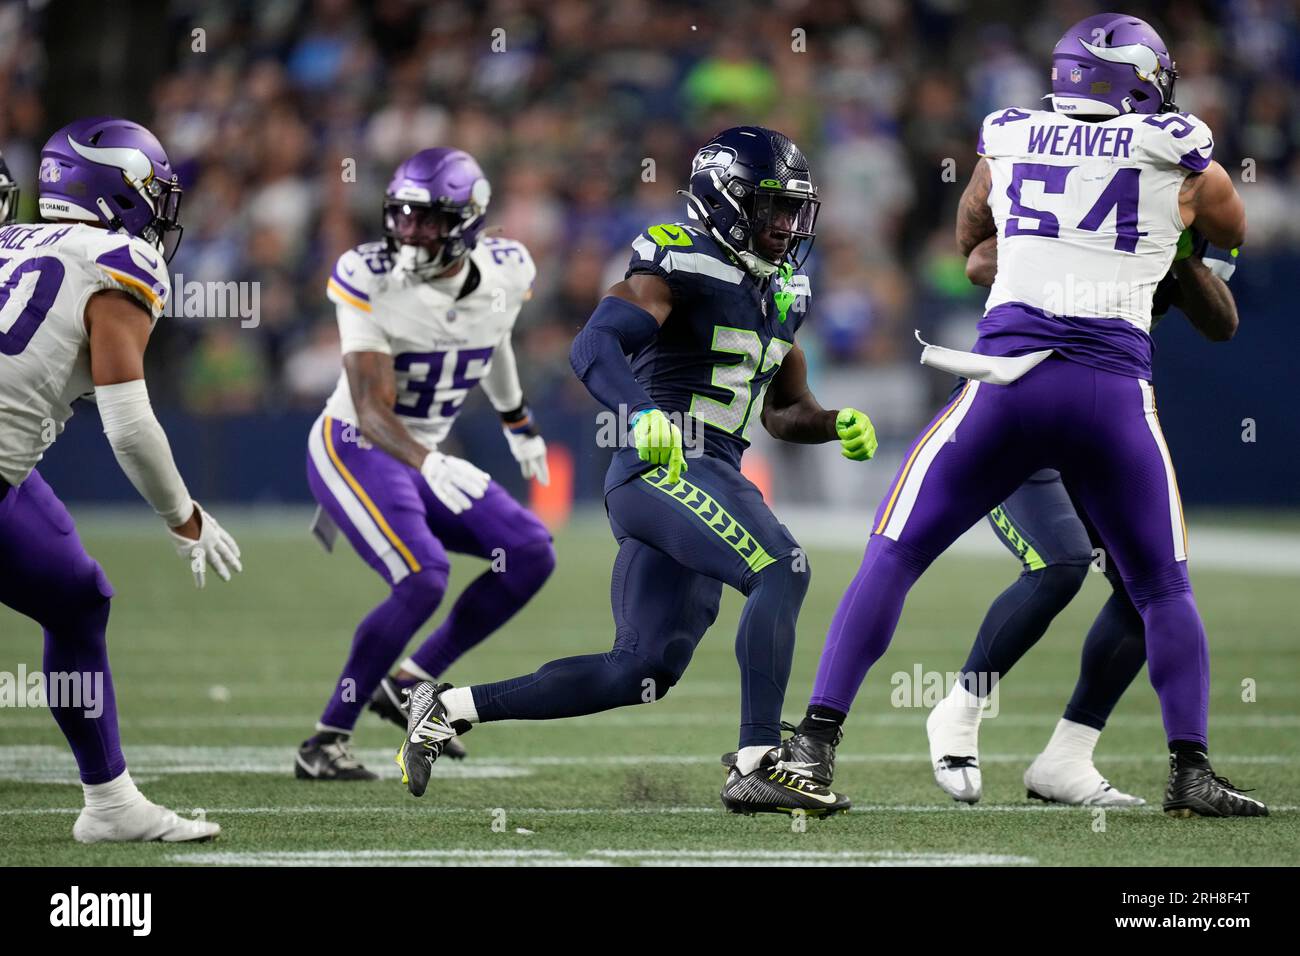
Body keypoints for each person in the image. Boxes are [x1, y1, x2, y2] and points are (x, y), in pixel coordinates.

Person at [783, 14, 1268, 818]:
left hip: (1005, 382)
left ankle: (814, 744)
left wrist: (1039, 245)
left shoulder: (1007, 132)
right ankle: (1189, 772)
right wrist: (1165, 256)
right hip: (1111, 395)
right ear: (1142, 80)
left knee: (895, 552)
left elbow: (972, 243)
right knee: (1161, 587)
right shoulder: (1181, 146)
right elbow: (1228, 240)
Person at [396, 127, 878, 816]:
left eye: (793, 209)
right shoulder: (679, 259)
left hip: (713, 472)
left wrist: (831, 422)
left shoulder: (784, 288)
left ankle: (445, 707)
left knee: (641, 668)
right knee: (781, 568)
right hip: (663, 467)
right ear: (725, 198)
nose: (786, 225)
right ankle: (758, 761)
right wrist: (639, 411)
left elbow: (783, 407)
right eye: (771, 206)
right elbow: (594, 343)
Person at [927, 230, 1239, 806]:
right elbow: (977, 261)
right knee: (1061, 561)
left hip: (1101, 402)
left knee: (1150, 584)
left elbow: (1222, 321)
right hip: (1017, 399)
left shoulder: (1183, 198)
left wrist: (1178, 252)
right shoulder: (1080, 171)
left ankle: (1067, 755)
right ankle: (961, 710)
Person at [0, 119, 243, 842]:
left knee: (77, 599)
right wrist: (184, 515)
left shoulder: (11, 240)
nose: (163, 209)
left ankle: (110, 804)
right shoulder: (118, 259)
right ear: (115, 188)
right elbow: (130, 426)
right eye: (153, 191)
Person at [297, 147, 555, 780]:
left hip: (422, 456)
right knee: (422, 577)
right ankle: (326, 740)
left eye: (428, 220)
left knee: (529, 553)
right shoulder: (368, 276)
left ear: (467, 221)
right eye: (402, 217)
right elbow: (368, 405)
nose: (410, 233)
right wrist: (429, 461)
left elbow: (494, 341)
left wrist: (517, 420)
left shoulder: (506, 269)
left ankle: (409, 680)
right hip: (356, 444)